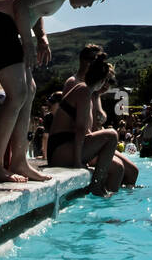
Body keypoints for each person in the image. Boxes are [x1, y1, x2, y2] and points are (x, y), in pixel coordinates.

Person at [0, 0, 108, 184]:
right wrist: (28, 42)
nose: (88, 5)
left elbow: (33, 9)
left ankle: (19, 161)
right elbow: (20, 4)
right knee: (18, 93)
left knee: (29, 90)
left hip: (6, 28)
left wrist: (41, 37)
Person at [46, 60, 120, 195]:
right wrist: (77, 162)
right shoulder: (84, 91)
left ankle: (102, 191)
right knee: (112, 135)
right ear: (102, 80)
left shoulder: (84, 90)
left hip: (63, 147)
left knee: (118, 166)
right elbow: (80, 129)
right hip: (60, 150)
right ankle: (97, 186)